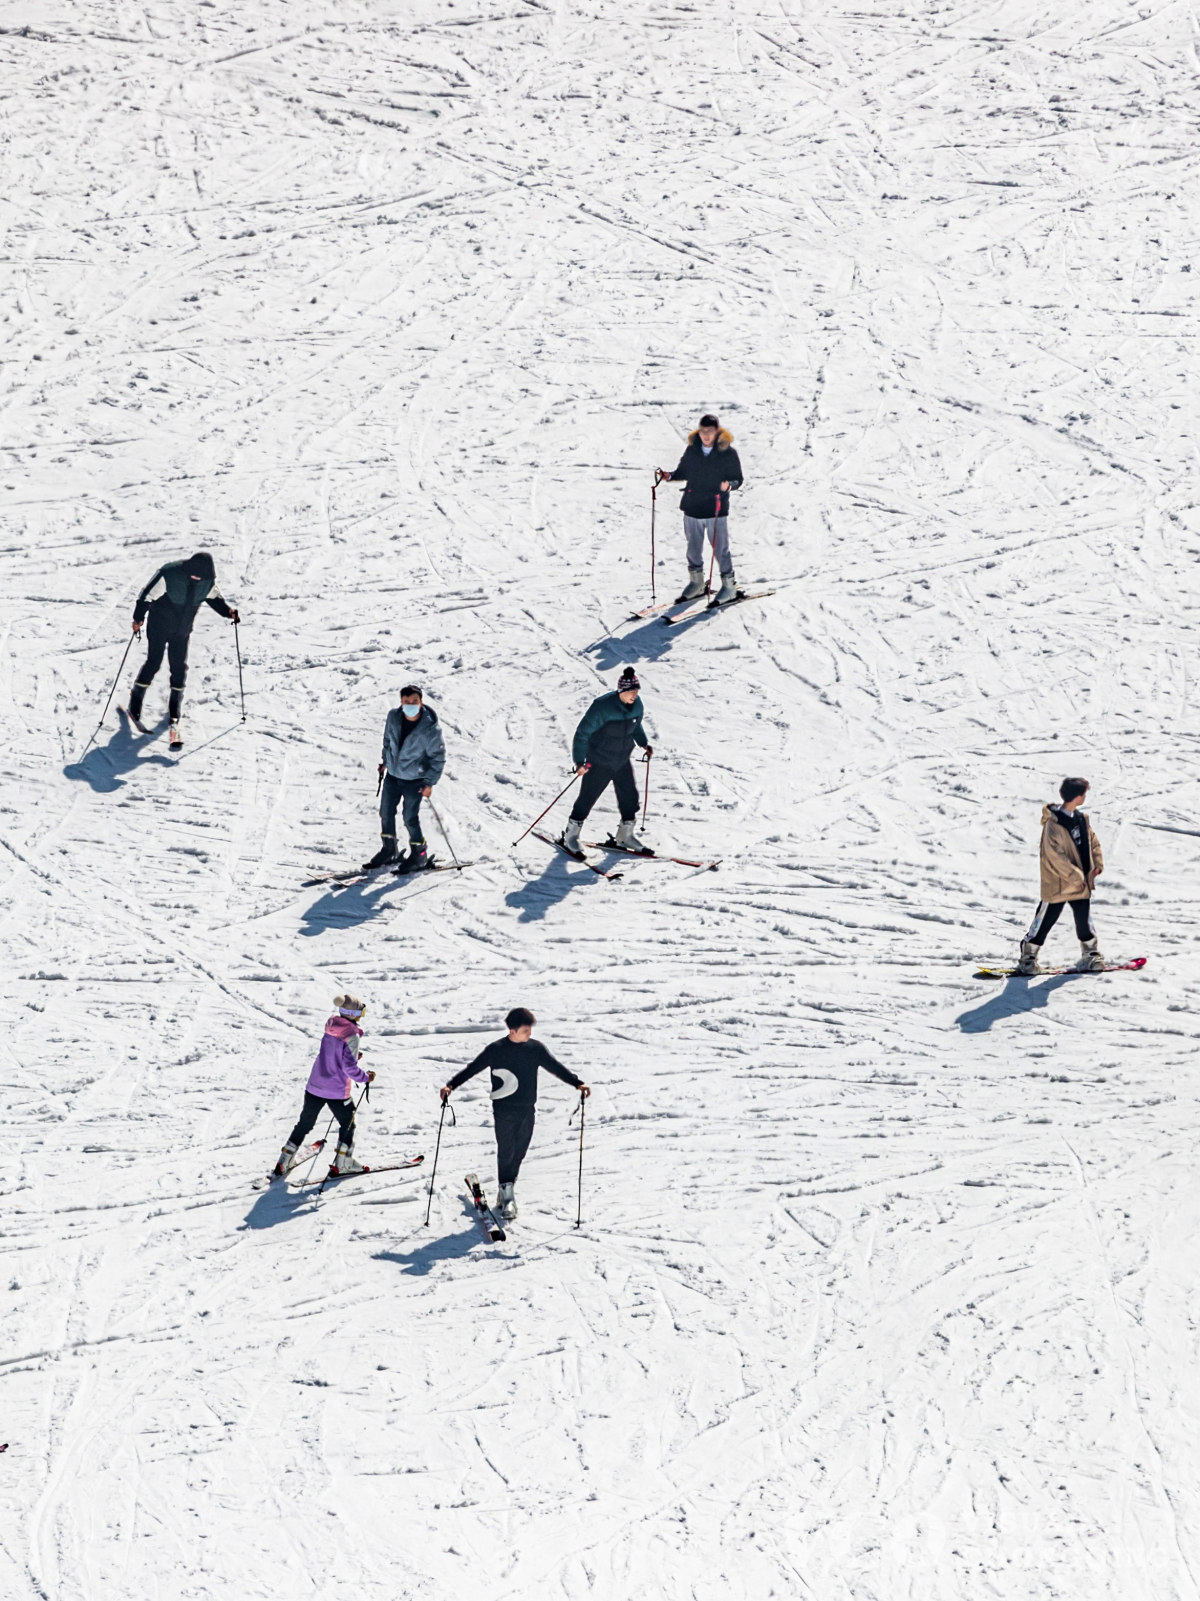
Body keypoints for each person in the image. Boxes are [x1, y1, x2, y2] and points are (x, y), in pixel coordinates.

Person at [440, 1008, 589, 1219]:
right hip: (503, 1111)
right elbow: (472, 1068)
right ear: (512, 1030)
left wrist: (577, 1083)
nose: (529, 1034)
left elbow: (555, 1066)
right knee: (506, 1151)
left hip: (527, 1110)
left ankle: (505, 1189)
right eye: (526, 1030)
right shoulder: (496, 1049)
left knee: (520, 1152)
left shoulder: (535, 1049)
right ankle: (507, 1194)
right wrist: (450, 1086)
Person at [127, 551, 239, 748]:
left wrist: (228, 612)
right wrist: (138, 618)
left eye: (200, 577)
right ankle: (135, 702)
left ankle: (174, 710)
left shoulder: (207, 582)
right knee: (154, 663)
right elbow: (146, 596)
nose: (196, 579)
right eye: (193, 575)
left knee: (179, 668)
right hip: (158, 627)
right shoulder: (169, 573)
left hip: (182, 631)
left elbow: (215, 599)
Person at [273, 995, 376, 1179]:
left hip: (315, 1085)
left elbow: (332, 1054)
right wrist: (366, 1077)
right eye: (361, 1012)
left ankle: (285, 1159)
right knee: (348, 1123)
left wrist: (351, 1056)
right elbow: (348, 1068)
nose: (362, 1016)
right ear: (352, 1014)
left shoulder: (331, 1026)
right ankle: (343, 1164)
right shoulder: (351, 1034)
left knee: (305, 1123)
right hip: (336, 1090)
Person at [562, 666, 653, 855]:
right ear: (621, 691)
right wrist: (580, 762)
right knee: (587, 799)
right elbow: (582, 734)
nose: (634, 696)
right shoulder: (602, 706)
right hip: (599, 761)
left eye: (636, 692)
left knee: (630, 798)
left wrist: (644, 743)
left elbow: (636, 726)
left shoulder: (637, 705)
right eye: (630, 692)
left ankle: (625, 836)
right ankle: (570, 836)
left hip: (621, 761)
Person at [1017, 778, 1105, 974]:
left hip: (1081, 883)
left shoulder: (1081, 819)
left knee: (1084, 919)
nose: (1085, 797)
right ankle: (1028, 956)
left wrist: (1096, 866)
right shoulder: (1053, 824)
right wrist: (1076, 876)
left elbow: (1093, 843)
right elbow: (1055, 856)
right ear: (1077, 796)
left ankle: (1090, 954)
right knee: (1047, 917)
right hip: (1059, 883)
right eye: (1084, 793)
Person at [658, 413, 745, 605]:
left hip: (716, 509)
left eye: (710, 431)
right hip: (692, 507)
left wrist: (729, 485)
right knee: (693, 548)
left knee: (721, 549)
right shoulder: (692, 450)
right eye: (703, 431)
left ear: (717, 431)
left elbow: (738, 479)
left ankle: (729, 586)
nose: (706, 435)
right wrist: (669, 476)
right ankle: (696, 583)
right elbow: (683, 472)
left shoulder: (728, 453)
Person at [363, 685, 447, 874]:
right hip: (392, 776)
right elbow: (387, 741)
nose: (410, 705)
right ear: (401, 702)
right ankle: (389, 849)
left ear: (421, 702)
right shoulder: (393, 717)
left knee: (409, 818)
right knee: (385, 812)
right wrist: (385, 762)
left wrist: (429, 782)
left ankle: (419, 854)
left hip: (415, 781)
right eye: (406, 702)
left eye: (414, 702)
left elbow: (438, 758)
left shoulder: (430, 729)